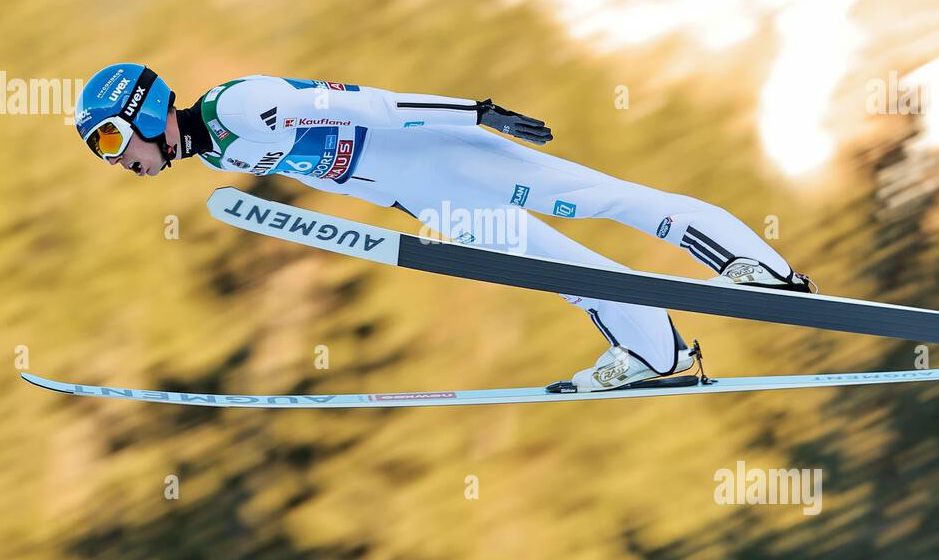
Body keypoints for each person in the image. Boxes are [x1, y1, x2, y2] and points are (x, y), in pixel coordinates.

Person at [74, 63, 816, 391]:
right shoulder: (212, 154)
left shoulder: (239, 108)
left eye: (111, 141)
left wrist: (476, 113)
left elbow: (368, 107)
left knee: (593, 200)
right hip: (424, 189)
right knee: (553, 268)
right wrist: (410, 208)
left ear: (142, 111)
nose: (117, 161)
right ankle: (655, 350)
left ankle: (756, 267)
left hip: (442, 150)